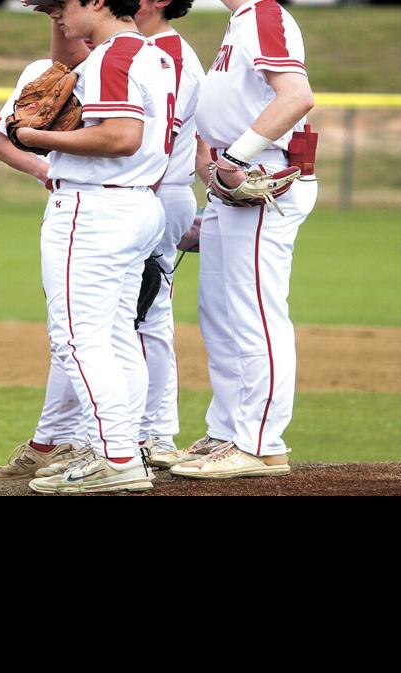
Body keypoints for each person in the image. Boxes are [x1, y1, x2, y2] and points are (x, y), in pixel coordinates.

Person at [9, 0, 175, 494]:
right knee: (118, 337)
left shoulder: (112, 57)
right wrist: (55, 17)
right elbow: (66, 58)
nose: (58, 14)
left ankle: (115, 457)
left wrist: (35, 135)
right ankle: (125, 449)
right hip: (134, 203)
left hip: (94, 209)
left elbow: (121, 136)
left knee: (77, 340)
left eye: (64, 4)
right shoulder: (144, 52)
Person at [163, 0, 318, 479]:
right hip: (232, 184)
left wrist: (234, 156)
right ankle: (228, 431)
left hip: (263, 179)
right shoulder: (242, 21)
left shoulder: (265, 13)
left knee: (255, 314)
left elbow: (296, 97)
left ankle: (260, 442)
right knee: (221, 314)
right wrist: (214, 164)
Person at [0, 1, 92, 481]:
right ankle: (54, 440)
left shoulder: (138, 64)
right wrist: (43, 169)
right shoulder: (42, 71)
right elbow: (2, 141)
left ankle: (109, 442)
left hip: (120, 206)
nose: (61, 21)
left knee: (104, 332)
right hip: (69, 206)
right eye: (53, 13)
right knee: (67, 332)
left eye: (62, 10)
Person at [131, 0, 203, 468]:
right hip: (158, 192)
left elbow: (160, 141)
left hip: (154, 190)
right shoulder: (155, 49)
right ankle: (149, 431)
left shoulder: (168, 54)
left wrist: (138, 200)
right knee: (144, 316)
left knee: (144, 316)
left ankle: (153, 432)